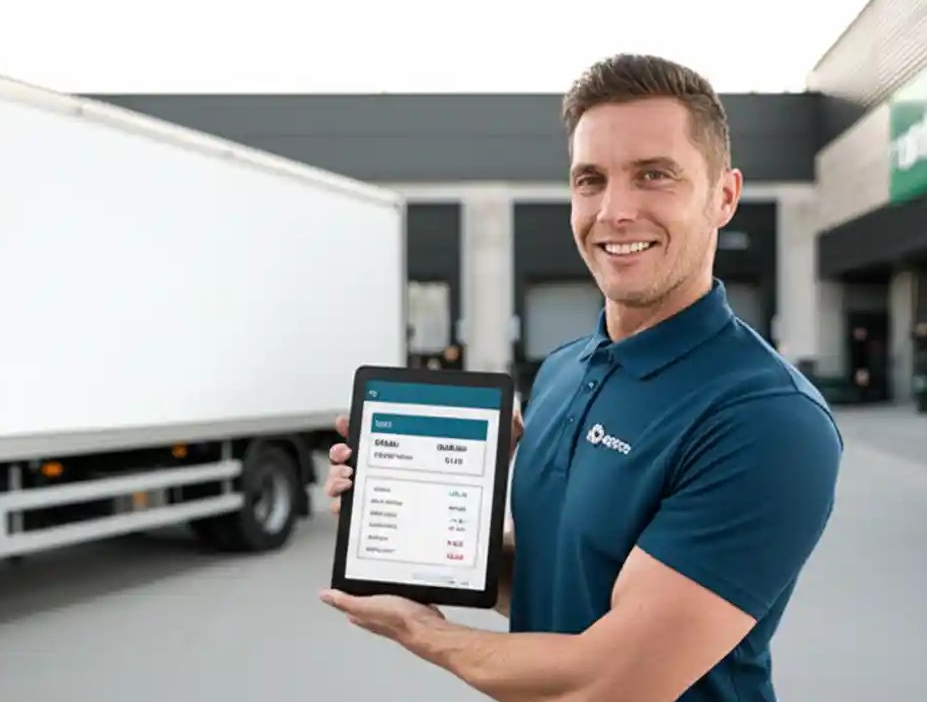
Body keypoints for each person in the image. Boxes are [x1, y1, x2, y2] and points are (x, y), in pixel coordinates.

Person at [319, 52, 843, 702]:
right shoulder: (565, 370)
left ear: (724, 197)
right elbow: (556, 583)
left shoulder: (768, 419)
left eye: (654, 175)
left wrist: (424, 633)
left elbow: (612, 680)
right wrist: (413, 531)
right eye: (590, 179)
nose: (615, 210)